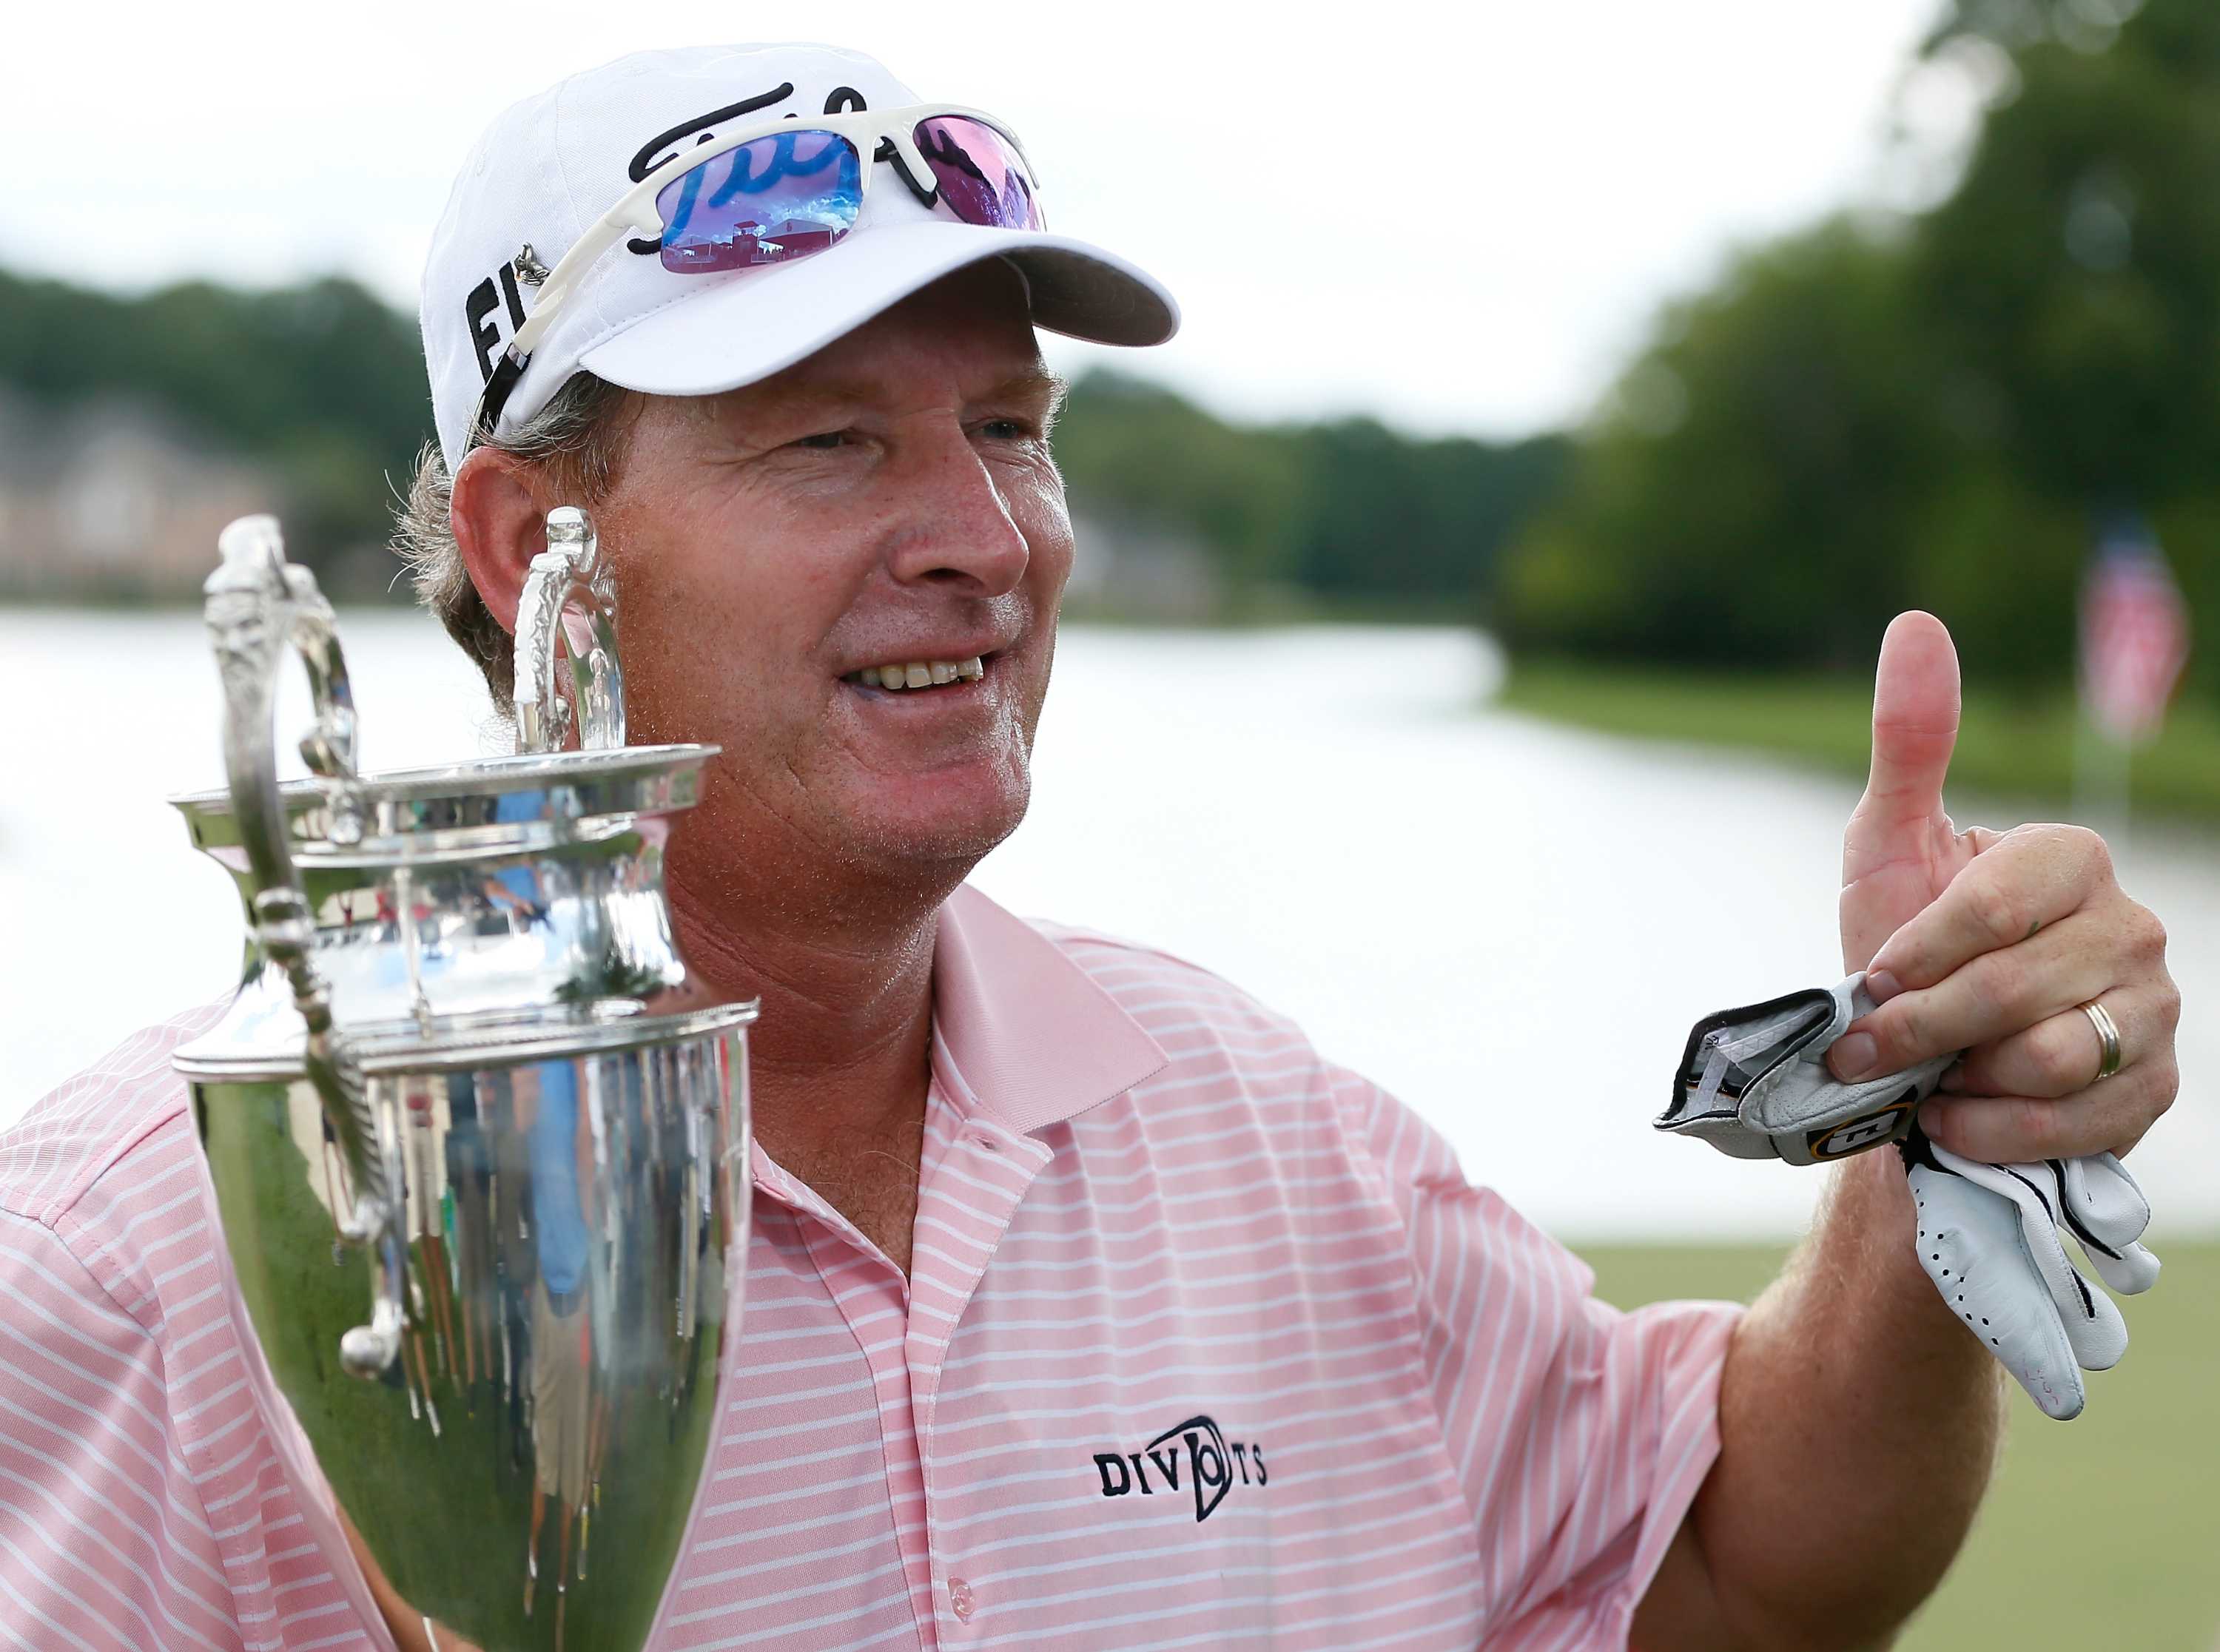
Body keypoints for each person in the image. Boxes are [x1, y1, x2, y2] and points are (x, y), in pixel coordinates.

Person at [0, 42, 2180, 1652]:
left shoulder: (1263, 1131)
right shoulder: (151, 1261)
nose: (981, 540)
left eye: (1012, 431)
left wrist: (1932, 1111)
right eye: (829, 441)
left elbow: (1732, 1570)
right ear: (529, 535)